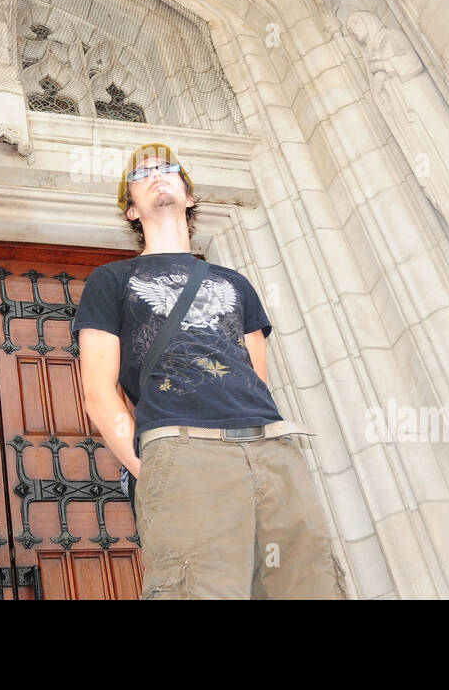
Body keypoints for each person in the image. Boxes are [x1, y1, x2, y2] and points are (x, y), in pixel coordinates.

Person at [72, 143, 346, 599]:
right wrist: (151, 468)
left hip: (271, 449)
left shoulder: (235, 283)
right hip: (181, 449)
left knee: (307, 583)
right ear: (130, 210)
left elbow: (256, 379)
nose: (158, 175)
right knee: (196, 589)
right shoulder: (111, 279)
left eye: (168, 168)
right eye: (143, 174)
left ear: (191, 196)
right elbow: (99, 394)